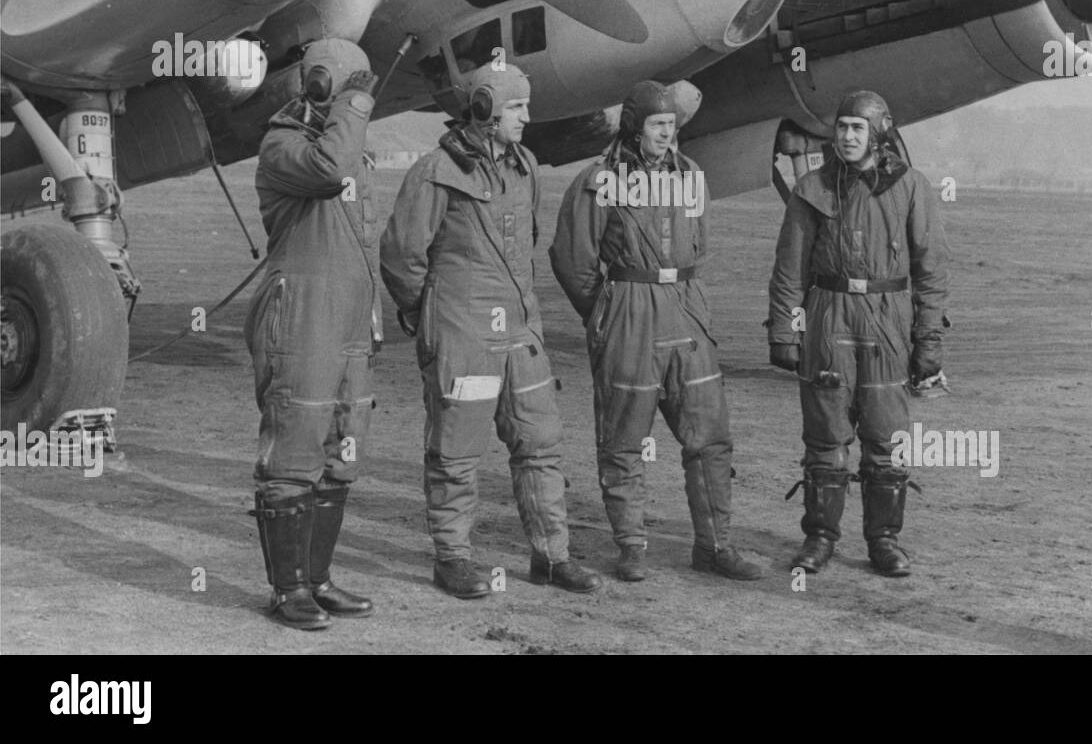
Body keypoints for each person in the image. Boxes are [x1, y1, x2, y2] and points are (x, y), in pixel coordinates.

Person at [380, 63, 602, 599]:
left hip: (520, 333)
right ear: (485, 107)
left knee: (540, 446)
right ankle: (452, 559)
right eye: (518, 108)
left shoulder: (525, 165)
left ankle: (552, 558)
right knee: (456, 452)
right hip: (464, 333)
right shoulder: (435, 170)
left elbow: (525, 243)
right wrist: (427, 314)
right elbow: (402, 254)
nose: (528, 117)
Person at [550, 81, 763, 582]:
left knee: (710, 436)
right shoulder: (599, 180)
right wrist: (607, 310)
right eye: (656, 126)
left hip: (687, 306)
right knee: (624, 438)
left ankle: (715, 546)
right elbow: (572, 258)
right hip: (629, 307)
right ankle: (631, 546)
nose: (666, 134)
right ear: (634, 127)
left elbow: (701, 240)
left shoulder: (690, 176)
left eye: (671, 125)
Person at [768, 90, 948, 577]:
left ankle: (884, 541)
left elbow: (931, 271)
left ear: (879, 132)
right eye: (842, 127)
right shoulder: (812, 187)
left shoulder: (911, 187)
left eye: (857, 128)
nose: (847, 136)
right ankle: (820, 537)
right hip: (827, 316)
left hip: (889, 318)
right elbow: (790, 266)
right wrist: (785, 329)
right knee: (825, 436)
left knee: (887, 436)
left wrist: (927, 339)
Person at [244, 38, 382, 631]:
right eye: (353, 84)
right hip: (300, 315)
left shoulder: (353, 151)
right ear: (323, 84)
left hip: (349, 319)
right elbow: (328, 170)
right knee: (295, 447)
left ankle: (319, 579)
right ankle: (287, 589)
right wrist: (352, 104)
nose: (363, 97)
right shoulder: (283, 145)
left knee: (341, 449)